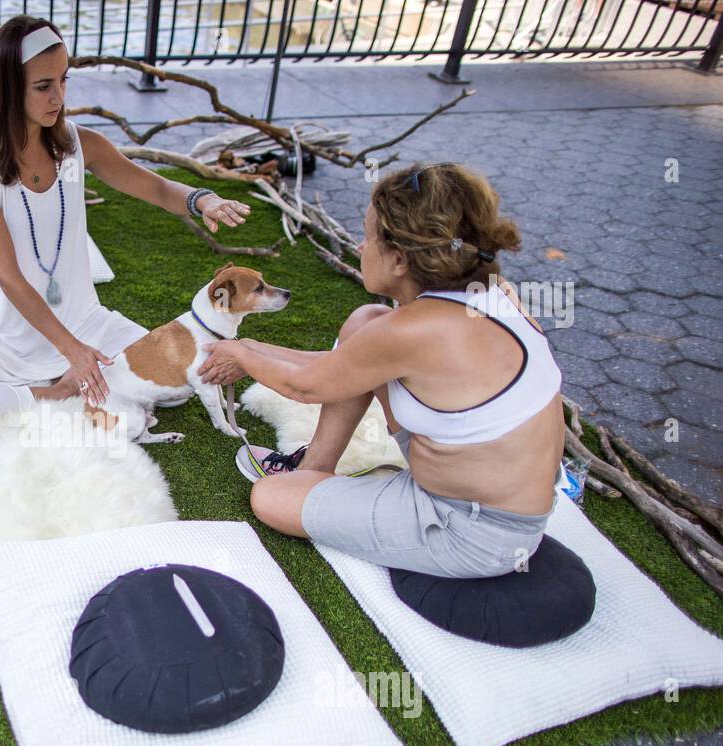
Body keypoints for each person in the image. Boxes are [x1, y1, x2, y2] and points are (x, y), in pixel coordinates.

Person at [197, 161, 565, 578]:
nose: (359, 247)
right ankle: (312, 471)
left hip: (474, 532)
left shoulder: (414, 330)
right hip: (490, 495)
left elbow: (305, 387)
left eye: (369, 237)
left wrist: (243, 357)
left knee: (269, 497)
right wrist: (248, 346)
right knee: (365, 320)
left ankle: (307, 485)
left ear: (400, 260)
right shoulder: (485, 295)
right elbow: (346, 366)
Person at [0, 15, 251, 445]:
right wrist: (72, 351)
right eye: (43, 86)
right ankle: (54, 391)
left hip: (83, 319)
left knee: (175, 391)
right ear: (8, 87)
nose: (58, 97)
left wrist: (200, 199)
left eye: (64, 80)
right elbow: (9, 277)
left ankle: (73, 378)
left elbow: (154, 185)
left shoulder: (78, 144)